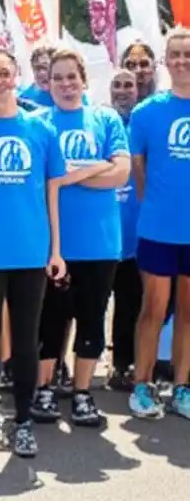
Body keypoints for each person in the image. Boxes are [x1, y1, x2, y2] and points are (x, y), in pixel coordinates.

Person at [0, 49, 67, 458]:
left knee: (26, 342)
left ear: (15, 76)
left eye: (6, 73)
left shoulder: (41, 130)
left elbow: (51, 193)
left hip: (30, 252)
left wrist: (56, 249)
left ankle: (22, 420)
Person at [33, 49, 130, 427]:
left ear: (83, 79)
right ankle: (44, 388)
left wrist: (68, 177)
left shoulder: (105, 119)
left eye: (72, 76)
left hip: (100, 242)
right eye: (57, 78)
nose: (65, 84)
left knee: (91, 319)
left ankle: (83, 392)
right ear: (47, 83)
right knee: (51, 320)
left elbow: (120, 174)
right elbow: (41, 182)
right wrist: (95, 168)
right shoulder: (39, 123)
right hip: (54, 242)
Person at [128, 27, 190, 420]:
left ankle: (182, 388)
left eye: (188, 54)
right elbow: (139, 171)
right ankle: (142, 385)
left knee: (189, 312)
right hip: (158, 230)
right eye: (176, 55)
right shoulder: (146, 112)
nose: (182, 61)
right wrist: (162, 207)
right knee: (154, 309)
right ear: (166, 61)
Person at [108, 68, 142, 392]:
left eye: (128, 85)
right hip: (101, 236)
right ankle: (61, 365)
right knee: (80, 306)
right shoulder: (103, 124)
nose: (122, 91)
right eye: (116, 85)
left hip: (135, 238)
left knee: (129, 306)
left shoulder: (142, 126)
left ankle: (123, 365)